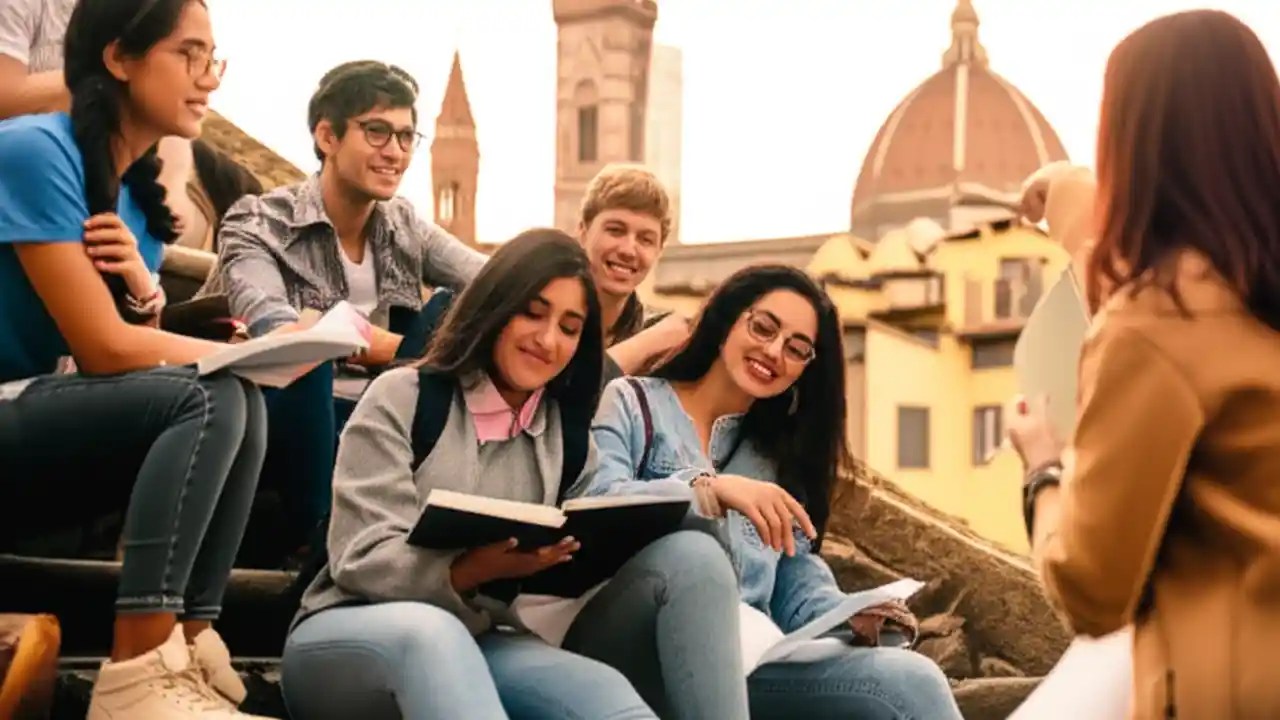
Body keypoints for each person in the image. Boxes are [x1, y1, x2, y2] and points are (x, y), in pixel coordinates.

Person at [280, 229, 748, 720]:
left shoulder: (563, 435)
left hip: (479, 634)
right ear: (496, 307)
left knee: (605, 695)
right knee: (431, 638)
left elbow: (604, 506)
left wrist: (708, 490)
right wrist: (469, 571)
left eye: (569, 328)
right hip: (349, 634)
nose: (548, 340)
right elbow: (361, 558)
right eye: (533, 312)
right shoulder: (404, 396)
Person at [0, 1, 277, 718]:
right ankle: (136, 673)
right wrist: (266, 351)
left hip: (42, 414)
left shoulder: (138, 205)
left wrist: (146, 293)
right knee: (215, 390)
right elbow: (103, 349)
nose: (207, 79)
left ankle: (189, 635)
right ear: (119, 59)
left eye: (212, 58)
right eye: (188, 54)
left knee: (239, 394)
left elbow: (111, 356)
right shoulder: (34, 150)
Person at [1007, 9, 1280, 718]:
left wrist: (1044, 472)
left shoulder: (1157, 323)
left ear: (1129, 138)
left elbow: (1093, 589)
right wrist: (1069, 192)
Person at [587, 264, 962, 719]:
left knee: (911, 680)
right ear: (728, 318)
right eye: (764, 327)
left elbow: (793, 575)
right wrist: (708, 490)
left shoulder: (775, 457)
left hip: (746, 659)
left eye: (797, 349)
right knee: (694, 555)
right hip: (633, 643)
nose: (773, 352)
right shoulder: (631, 402)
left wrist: (851, 614)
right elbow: (597, 503)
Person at [215, 60, 487, 558]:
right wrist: (374, 346)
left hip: (381, 407)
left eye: (406, 137)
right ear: (327, 136)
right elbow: (276, 327)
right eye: (378, 132)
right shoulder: (260, 221)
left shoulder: (404, 225)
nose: (395, 152)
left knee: (460, 307)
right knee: (307, 354)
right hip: (288, 410)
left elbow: (494, 280)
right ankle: (322, 543)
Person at [573, 163, 692, 381]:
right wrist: (646, 345)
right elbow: (562, 404)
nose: (628, 250)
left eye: (645, 239)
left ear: (659, 251)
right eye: (616, 230)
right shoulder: (546, 318)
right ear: (583, 232)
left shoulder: (670, 344)